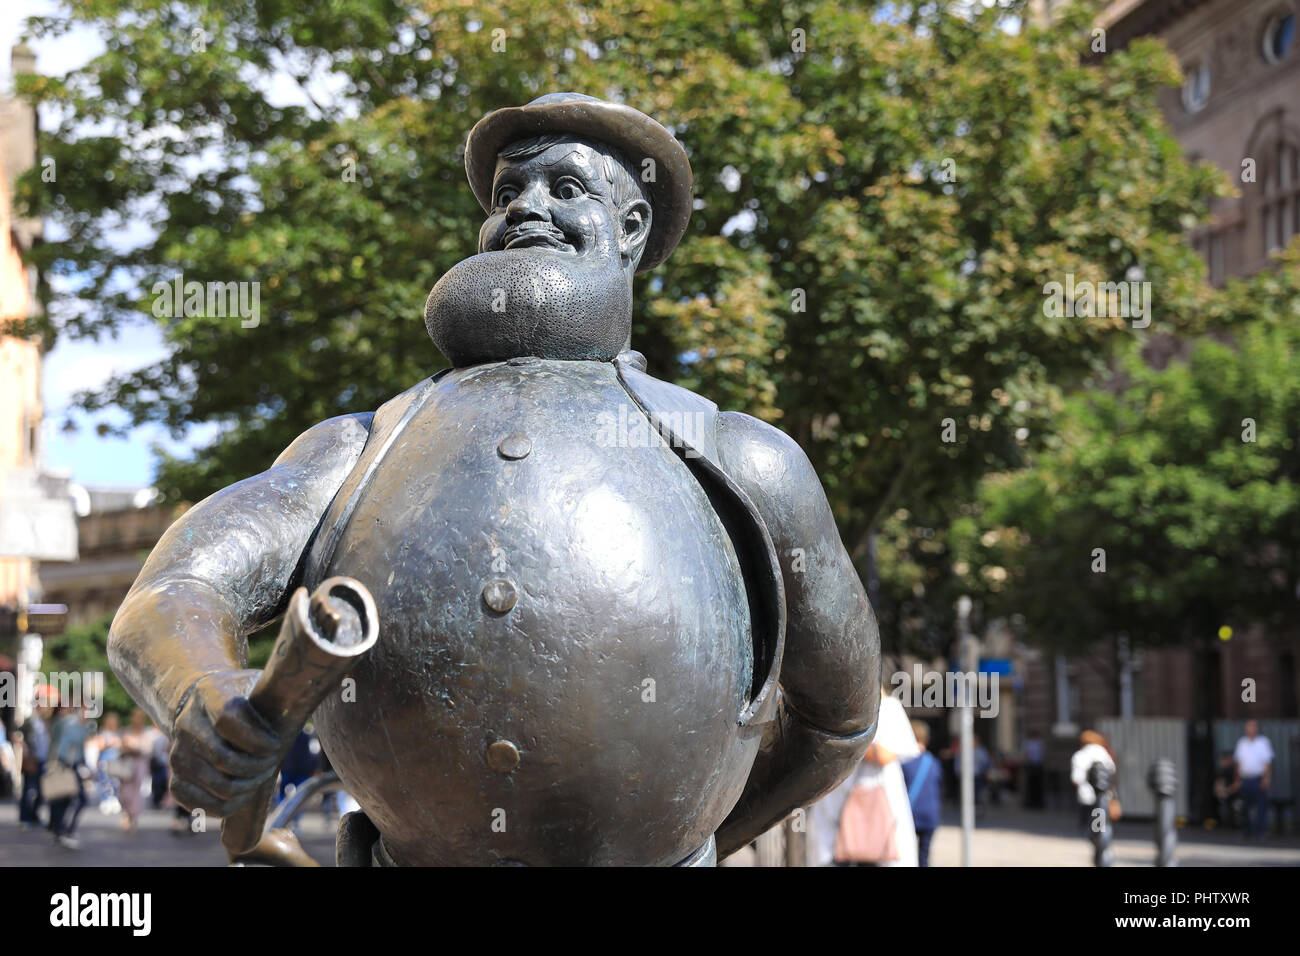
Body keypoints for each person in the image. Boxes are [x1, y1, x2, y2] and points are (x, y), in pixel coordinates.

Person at [812, 685, 920, 867]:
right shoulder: (832, 711)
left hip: (880, 802)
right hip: (837, 801)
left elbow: (887, 755)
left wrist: (850, 740)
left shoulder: (888, 708)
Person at [46, 703, 91, 848]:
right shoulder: (72, 725)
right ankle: (64, 830)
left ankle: (61, 830)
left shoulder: (77, 725)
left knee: (65, 800)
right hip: (68, 765)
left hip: (71, 765)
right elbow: (67, 747)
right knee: (71, 799)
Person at [901, 720, 942, 867]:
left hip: (909, 815)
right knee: (924, 856)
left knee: (906, 856)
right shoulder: (934, 762)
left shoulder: (903, 761)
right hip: (930, 815)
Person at [1233, 719, 1273, 840]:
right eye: (1249, 727)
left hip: (1258, 778)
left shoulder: (1263, 742)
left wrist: (1266, 779)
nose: (1251, 729)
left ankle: (1261, 832)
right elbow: (1238, 763)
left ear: (1257, 728)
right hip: (1245, 778)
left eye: (1253, 727)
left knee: (1261, 807)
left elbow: (1268, 762)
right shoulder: (1242, 742)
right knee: (1245, 807)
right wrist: (1237, 779)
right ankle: (1247, 831)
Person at [17, 698, 52, 829]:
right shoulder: (29, 721)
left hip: (43, 760)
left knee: (42, 791)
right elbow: (18, 734)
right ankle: (25, 818)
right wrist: (25, 748)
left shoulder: (45, 722)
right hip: (32, 760)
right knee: (28, 789)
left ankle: (34, 815)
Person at [1070, 730, 1116, 829]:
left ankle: (1091, 836)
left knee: (1087, 822)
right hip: (1104, 794)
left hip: (1086, 794)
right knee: (1100, 822)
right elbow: (1112, 770)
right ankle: (1100, 835)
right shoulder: (1103, 752)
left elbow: (1076, 778)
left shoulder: (1080, 755)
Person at [117, 709, 151, 833]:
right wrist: (126, 748)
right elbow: (120, 748)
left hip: (140, 764)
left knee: (136, 791)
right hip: (126, 764)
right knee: (125, 791)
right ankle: (126, 812)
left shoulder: (146, 733)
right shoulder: (126, 731)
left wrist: (135, 748)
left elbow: (147, 749)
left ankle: (133, 815)